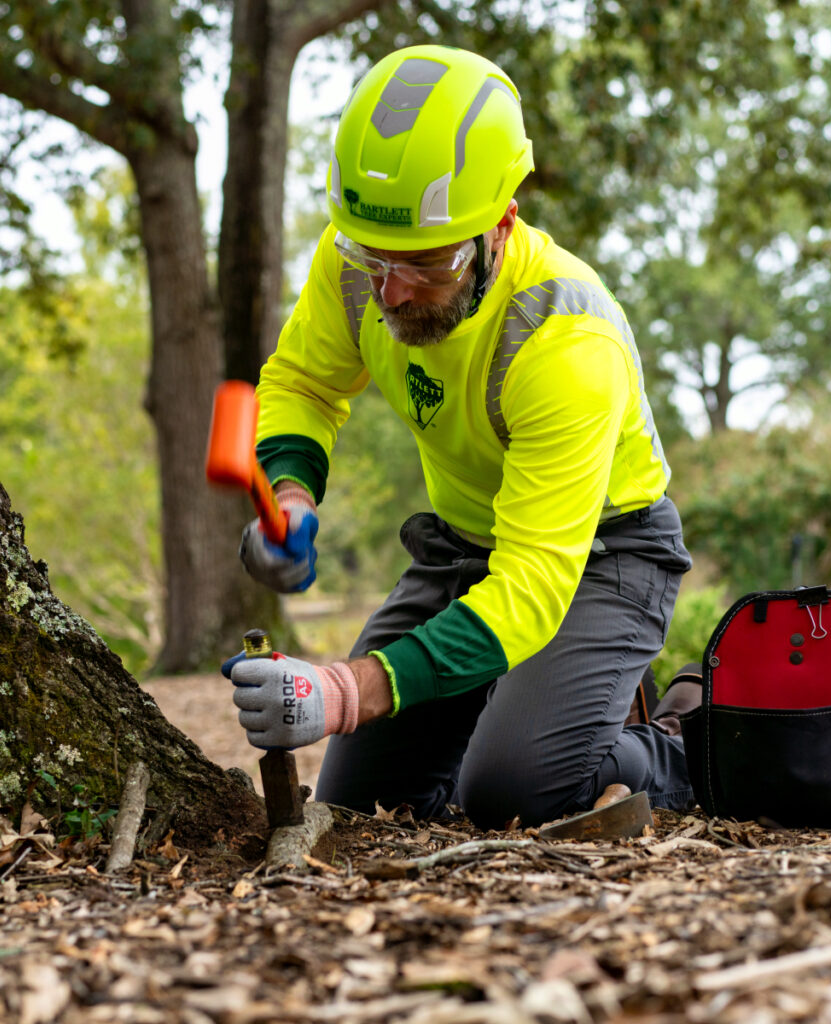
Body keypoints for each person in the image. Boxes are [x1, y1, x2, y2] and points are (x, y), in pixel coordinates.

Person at [223, 44, 697, 828]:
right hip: (461, 547)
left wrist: (346, 691)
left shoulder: (567, 342)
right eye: (373, 259)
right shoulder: (362, 256)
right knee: (367, 803)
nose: (392, 289)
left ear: (500, 226)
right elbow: (304, 382)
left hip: (598, 561)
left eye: (428, 264)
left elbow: (533, 582)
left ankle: (677, 739)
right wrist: (292, 495)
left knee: (513, 792)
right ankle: (526, 711)